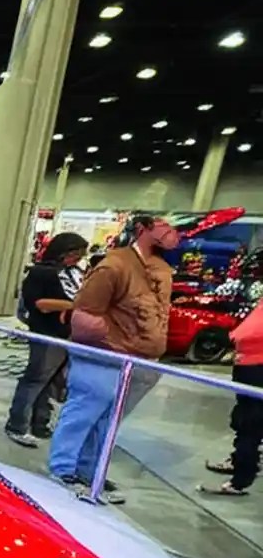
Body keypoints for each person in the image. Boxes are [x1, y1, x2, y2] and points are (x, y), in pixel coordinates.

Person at [48, 215, 178, 504]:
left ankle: (89, 469)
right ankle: (63, 468)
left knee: (108, 420)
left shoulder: (161, 270)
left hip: (140, 360)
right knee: (84, 413)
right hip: (106, 357)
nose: (171, 235)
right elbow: (85, 315)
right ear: (143, 230)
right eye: (164, 228)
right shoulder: (114, 266)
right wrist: (112, 338)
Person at [4, 232, 89, 447]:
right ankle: (17, 424)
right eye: (74, 253)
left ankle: (39, 422)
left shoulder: (73, 273)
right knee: (35, 379)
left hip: (65, 333)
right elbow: (39, 304)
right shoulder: (41, 273)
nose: (77, 258)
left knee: (50, 382)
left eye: (80, 254)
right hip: (46, 332)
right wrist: (74, 306)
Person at [201, 301, 263, 496]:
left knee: (250, 423)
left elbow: (249, 332)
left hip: (256, 368)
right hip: (248, 365)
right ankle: (240, 464)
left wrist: (233, 337)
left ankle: (242, 477)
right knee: (246, 421)